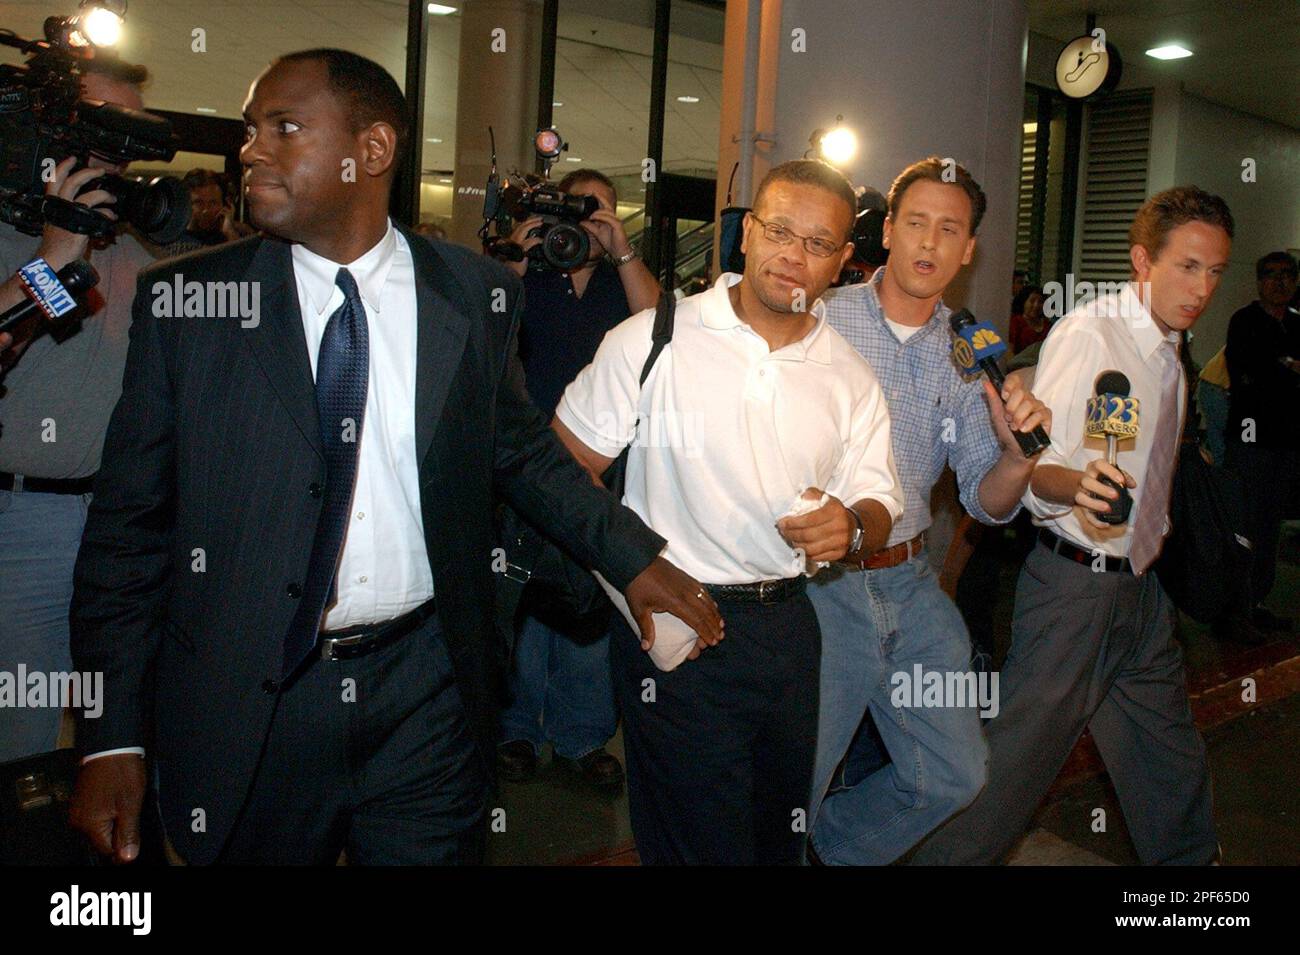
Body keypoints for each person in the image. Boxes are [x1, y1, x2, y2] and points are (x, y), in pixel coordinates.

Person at [66, 48, 721, 866]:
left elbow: (520, 453)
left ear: (370, 151)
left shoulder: (473, 293)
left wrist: (632, 558)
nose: (250, 150)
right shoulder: (188, 305)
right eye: (248, 130)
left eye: (284, 127)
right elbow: (126, 538)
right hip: (258, 698)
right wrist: (110, 736)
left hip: (429, 689)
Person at [553, 159, 903, 864]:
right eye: (779, 230)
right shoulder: (655, 339)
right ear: (746, 234)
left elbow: (881, 498)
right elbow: (560, 469)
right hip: (678, 616)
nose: (792, 255)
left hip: (789, 628)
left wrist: (854, 524)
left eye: (817, 242)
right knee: (695, 843)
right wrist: (633, 565)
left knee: (777, 833)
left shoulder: (850, 375)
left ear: (841, 261)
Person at [914, 185, 1233, 865]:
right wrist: (1079, 487)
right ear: (1144, 261)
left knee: (1169, 761)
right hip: (1075, 591)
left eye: (1214, 271)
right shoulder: (1094, 334)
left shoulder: (1169, 349)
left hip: (1138, 593)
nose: (1201, 286)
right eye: (1187, 266)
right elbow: (1039, 467)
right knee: (1010, 775)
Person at [805, 156, 1052, 866]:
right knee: (798, 774)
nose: (930, 242)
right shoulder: (825, 320)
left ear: (969, 249)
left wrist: (1017, 456)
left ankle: (832, 848)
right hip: (820, 583)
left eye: (951, 229)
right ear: (886, 230)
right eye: (916, 221)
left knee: (954, 772)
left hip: (911, 585)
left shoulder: (974, 355)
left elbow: (986, 500)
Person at [0, 57, 156, 764]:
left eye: (126, 136)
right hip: (24, 519)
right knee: (23, 735)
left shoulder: (131, 248)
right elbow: (24, 328)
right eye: (99, 130)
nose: (112, 157)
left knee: (114, 731)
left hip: (115, 524)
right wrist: (54, 253)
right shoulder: (13, 231)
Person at [494, 168, 659, 790]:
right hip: (520, 465)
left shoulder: (624, 283)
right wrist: (517, 250)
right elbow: (480, 322)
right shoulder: (529, 270)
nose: (585, 227)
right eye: (578, 214)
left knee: (591, 604)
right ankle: (516, 731)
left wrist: (622, 251)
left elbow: (664, 333)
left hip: (603, 473)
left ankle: (584, 739)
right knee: (523, 602)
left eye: (602, 213)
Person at [1223, 251, 1300, 633]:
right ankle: (1234, 610)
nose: (1280, 282)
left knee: (1271, 526)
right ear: (1259, 281)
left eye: (1288, 274)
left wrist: (1282, 368)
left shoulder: (1298, 325)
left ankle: (1257, 601)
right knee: (1245, 524)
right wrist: (1285, 370)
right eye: (1271, 274)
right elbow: (1248, 377)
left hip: (1286, 443)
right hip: (1249, 442)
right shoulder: (1245, 322)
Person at [1009, 283, 1049, 354]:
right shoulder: (1015, 322)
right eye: (1032, 301)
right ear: (1024, 302)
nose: (1036, 305)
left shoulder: (1047, 324)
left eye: (1040, 302)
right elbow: (1009, 351)